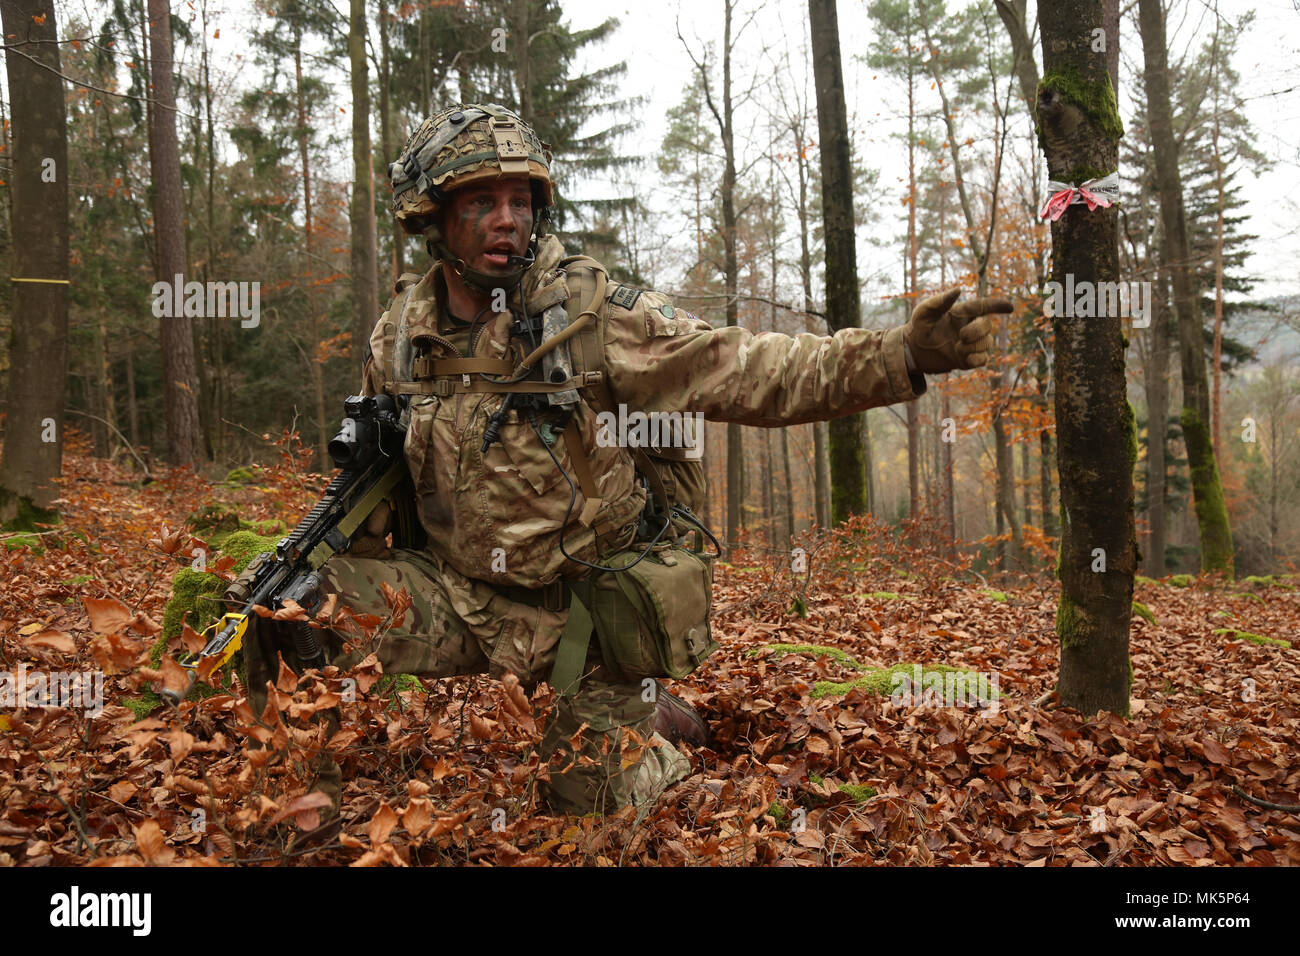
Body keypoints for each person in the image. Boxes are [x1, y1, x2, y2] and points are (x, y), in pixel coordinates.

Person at [235, 103, 1010, 818]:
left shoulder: (593, 319)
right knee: (288, 606)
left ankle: (654, 742)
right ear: (434, 217)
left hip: (586, 615)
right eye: (481, 202)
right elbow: (378, 478)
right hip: (457, 596)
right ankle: (304, 813)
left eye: (522, 201)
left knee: (584, 812)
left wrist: (901, 353)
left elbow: (750, 368)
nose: (508, 220)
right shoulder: (401, 334)